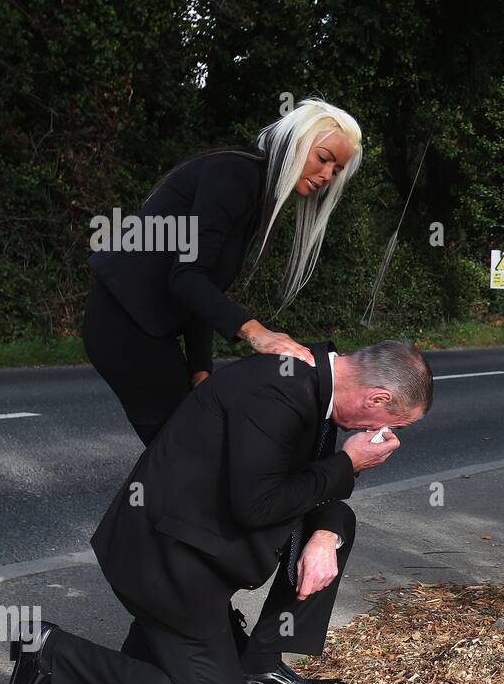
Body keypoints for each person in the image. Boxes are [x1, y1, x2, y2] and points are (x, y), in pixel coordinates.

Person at [4, 340, 433, 684]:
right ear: (376, 398)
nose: (388, 434)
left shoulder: (312, 383)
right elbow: (257, 506)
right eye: (395, 424)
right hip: (165, 564)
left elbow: (308, 490)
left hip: (191, 549)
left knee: (338, 524)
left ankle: (255, 664)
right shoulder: (279, 394)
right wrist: (348, 462)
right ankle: (51, 657)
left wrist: (324, 534)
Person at [84, 98, 362, 445]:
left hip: (148, 327)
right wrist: (255, 332)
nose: (326, 176)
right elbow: (186, 276)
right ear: (296, 141)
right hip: (123, 325)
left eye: (336, 170)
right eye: (323, 158)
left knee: (188, 448)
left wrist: (200, 365)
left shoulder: (255, 189)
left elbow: (203, 286)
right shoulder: (234, 175)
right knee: (186, 449)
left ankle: (165, 497)